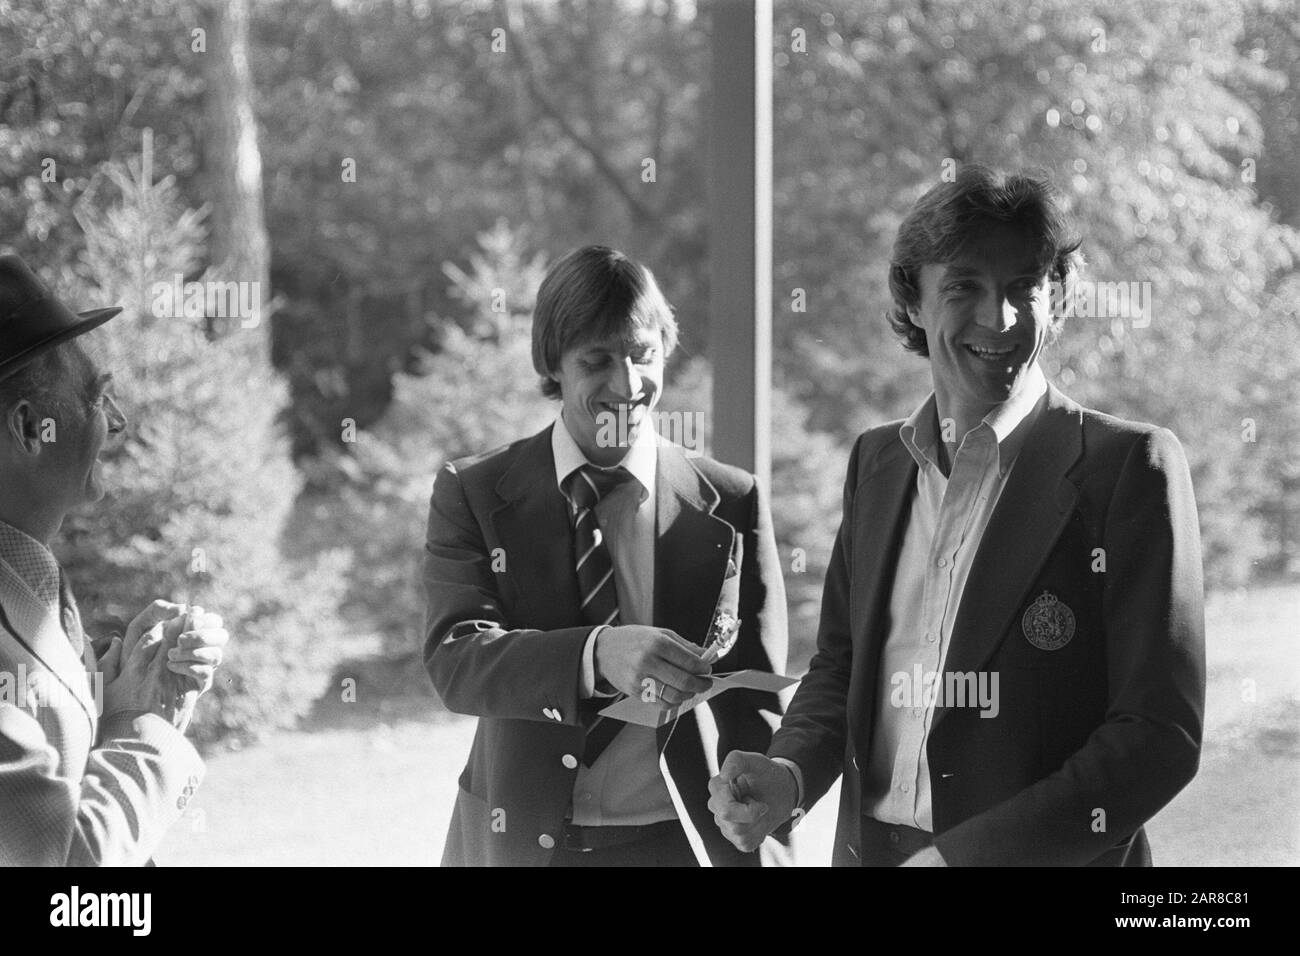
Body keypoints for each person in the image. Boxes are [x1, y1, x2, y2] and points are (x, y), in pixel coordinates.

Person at [708, 166, 1206, 866]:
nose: (997, 318)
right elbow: (841, 669)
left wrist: (962, 860)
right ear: (912, 301)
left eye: (1022, 287)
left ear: (1055, 299)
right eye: (964, 286)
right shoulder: (876, 464)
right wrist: (788, 776)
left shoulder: (1128, 469)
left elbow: (1157, 737)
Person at [424, 245, 788, 866]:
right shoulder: (475, 491)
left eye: (643, 355)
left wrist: (770, 831)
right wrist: (594, 654)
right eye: (596, 360)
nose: (627, 384)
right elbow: (456, 660)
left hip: (685, 847)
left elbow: (755, 699)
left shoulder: (731, 498)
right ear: (553, 364)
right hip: (524, 847)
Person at [0, 254, 229, 866]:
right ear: (29, 428)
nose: (120, 423)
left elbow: (42, 736)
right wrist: (145, 727)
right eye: (98, 399)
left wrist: (125, 683)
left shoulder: (25, 568)